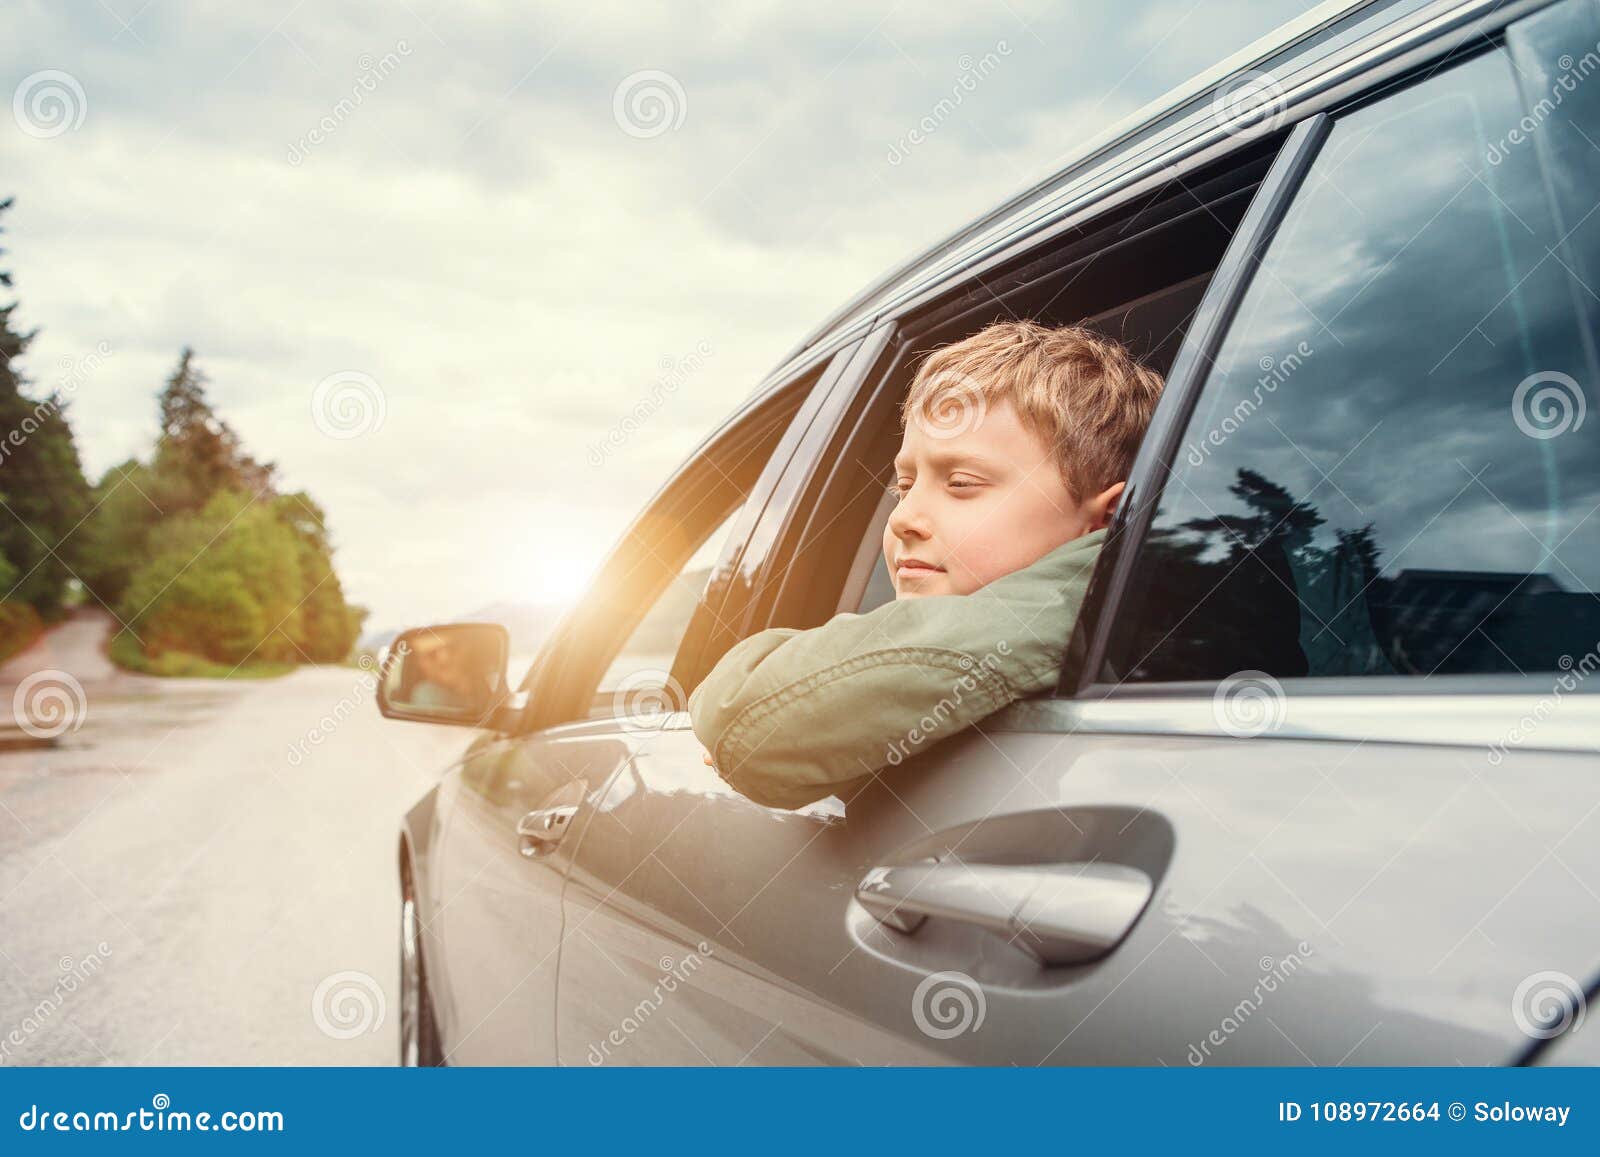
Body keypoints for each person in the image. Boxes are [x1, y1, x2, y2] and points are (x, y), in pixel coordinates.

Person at [688, 320, 1165, 809]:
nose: (902, 517)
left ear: (1109, 518)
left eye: (960, 483)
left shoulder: (1078, 611)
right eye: (904, 485)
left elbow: (742, 721)